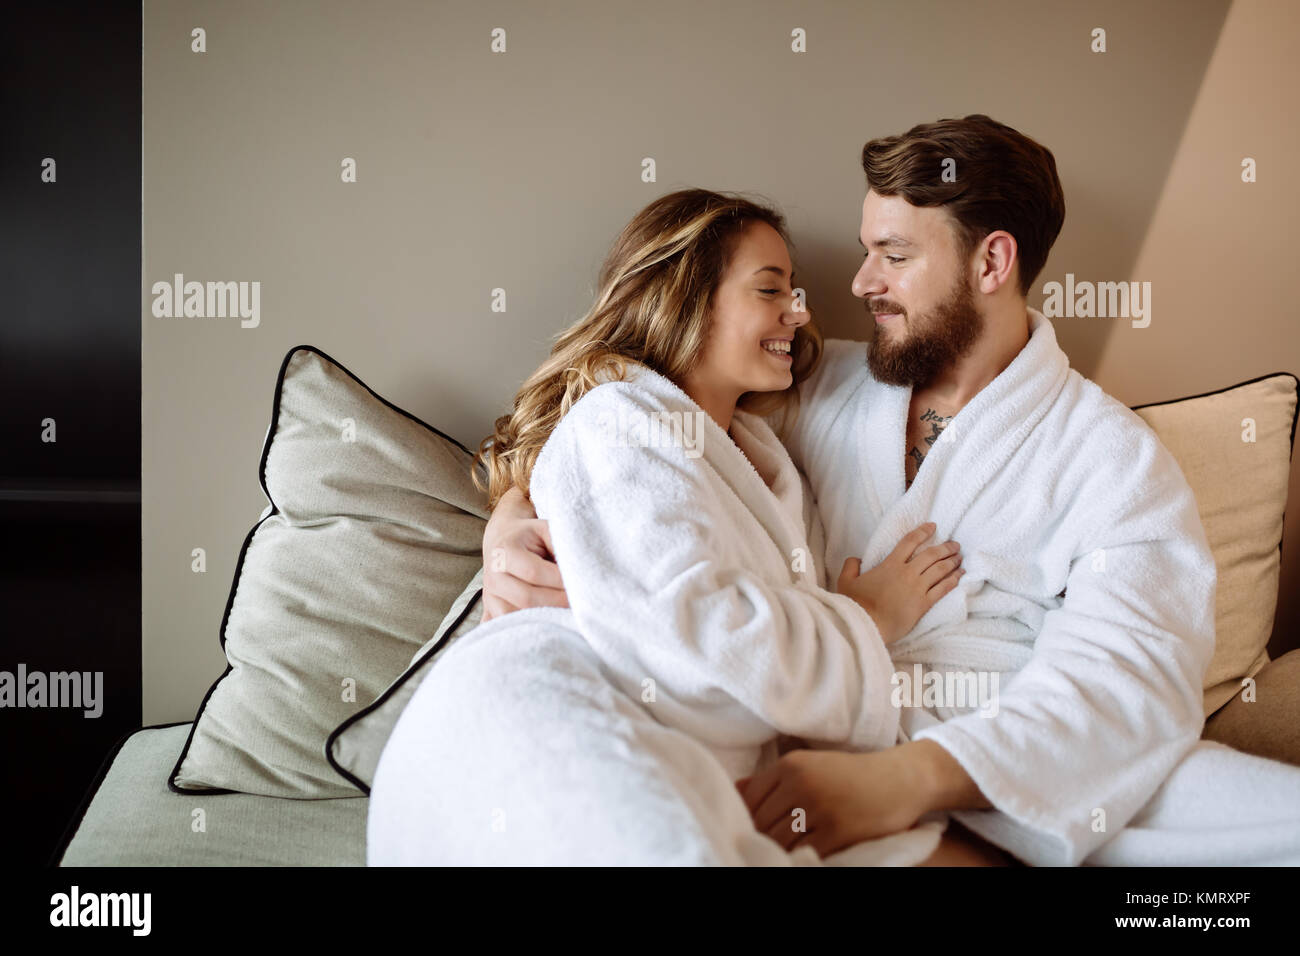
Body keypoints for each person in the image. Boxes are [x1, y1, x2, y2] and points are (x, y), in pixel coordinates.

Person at [482, 115, 1300, 866]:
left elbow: (1130, 676)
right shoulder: (813, 385)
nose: (863, 282)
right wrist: (514, 518)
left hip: (1018, 758)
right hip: (813, 727)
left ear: (992, 261)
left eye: (896, 256)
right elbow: (643, 429)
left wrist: (911, 780)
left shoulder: (1112, 456)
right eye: (869, 251)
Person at [368, 188, 967, 866]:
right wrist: (866, 618)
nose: (799, 313)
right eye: (770, 290)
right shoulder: (617, 419)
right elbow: (695, 637)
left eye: (796, 291)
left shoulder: (764, 466)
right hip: (544, 708)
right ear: (683, 297)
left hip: (673, 747)